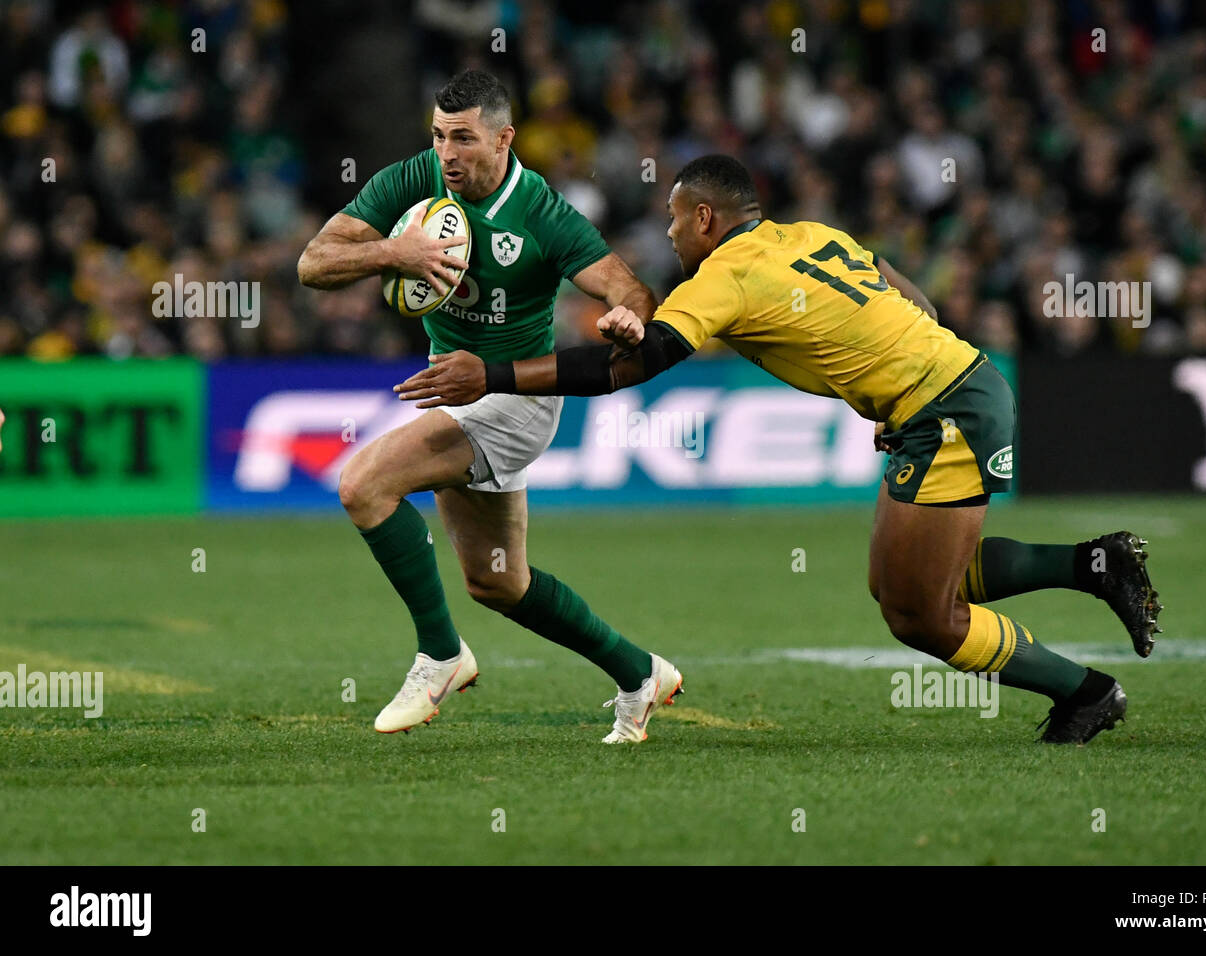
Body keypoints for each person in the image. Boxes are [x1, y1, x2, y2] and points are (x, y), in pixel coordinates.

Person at [404, 154, 1164, 744]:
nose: (668, 235)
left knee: (920, 614)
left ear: (705, 218)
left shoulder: (726, 273)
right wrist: (891, 382)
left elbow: (633, 367)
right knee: (908, 580)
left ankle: (1086, 693)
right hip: (955, 387)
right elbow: (917, 302)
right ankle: (1095, 563)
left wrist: (491, 375)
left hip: (948, 411)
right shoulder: (811, 237)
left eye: (673, 221)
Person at [297, 70, 682, 743]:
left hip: (513, 398)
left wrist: (626, 318)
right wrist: (397, 251)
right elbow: (314, 262)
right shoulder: (415, 179)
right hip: (453, 390)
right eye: (441, 136)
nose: (448, 153)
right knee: (499, 582)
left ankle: (440, 655)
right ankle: (639, 673)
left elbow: (627, 286)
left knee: (363, 484)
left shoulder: (540, 212)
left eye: (465, 139)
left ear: (504, 139)